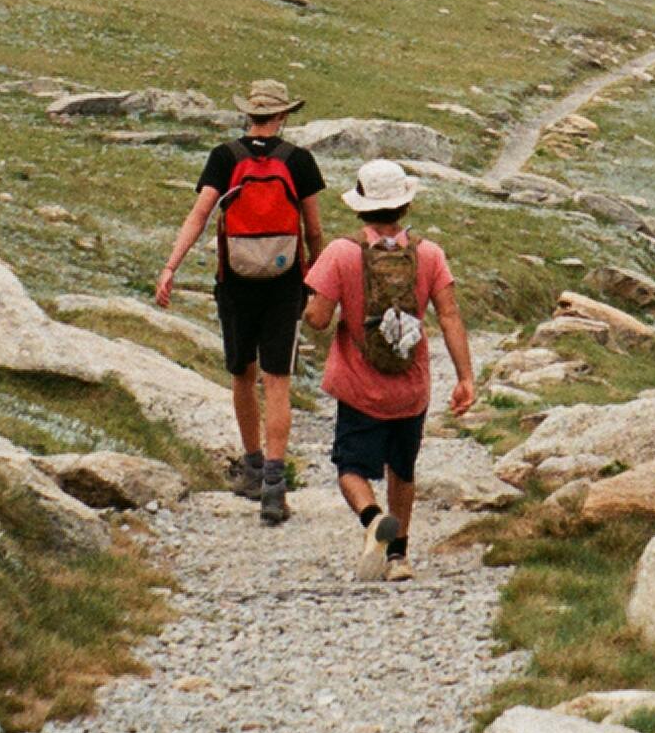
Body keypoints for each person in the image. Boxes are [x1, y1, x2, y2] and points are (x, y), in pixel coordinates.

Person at [156, 78, 326, 525]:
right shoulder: (299, 160)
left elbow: (200, 215)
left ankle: (252, 468)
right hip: (285, 282)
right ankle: (274, 485)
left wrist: (171, 267)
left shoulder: (224, 157)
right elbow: (313, 231)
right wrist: (321, 280)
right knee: (278, 381)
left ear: (248, 114)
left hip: (235, 282)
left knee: (241, 374)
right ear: (284, 115)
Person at [299, 158, 475, 581]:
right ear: (405, 207)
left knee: (351, 469)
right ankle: (399, 558)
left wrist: (315, 303)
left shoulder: (341, 253)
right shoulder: (429, 255)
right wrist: (466, 377)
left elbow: (318, 319)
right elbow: (450, 316)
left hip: (360, 389)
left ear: (359, 207)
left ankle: (373, 518)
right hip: (410, 389)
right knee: (403, 470)